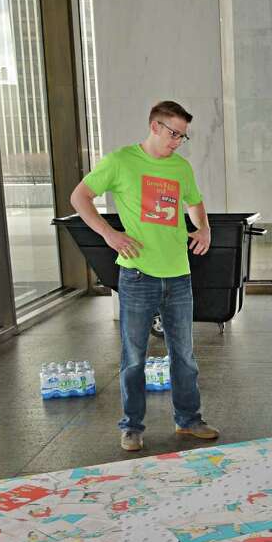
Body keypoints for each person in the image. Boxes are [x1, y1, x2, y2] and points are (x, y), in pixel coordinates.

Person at [70, 100, 217, 452]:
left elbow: (194, 202)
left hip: (179, 275)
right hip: (137, 276)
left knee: (184, 355)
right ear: (154, 126)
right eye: (173, 133)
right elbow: (80, 196)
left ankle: (188, 420)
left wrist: (205, 229)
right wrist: (110, 234)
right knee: (134, 356)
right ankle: (132, 426)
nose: (178, 141)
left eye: (183, 136)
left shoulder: (180, 168)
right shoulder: (121, 161)